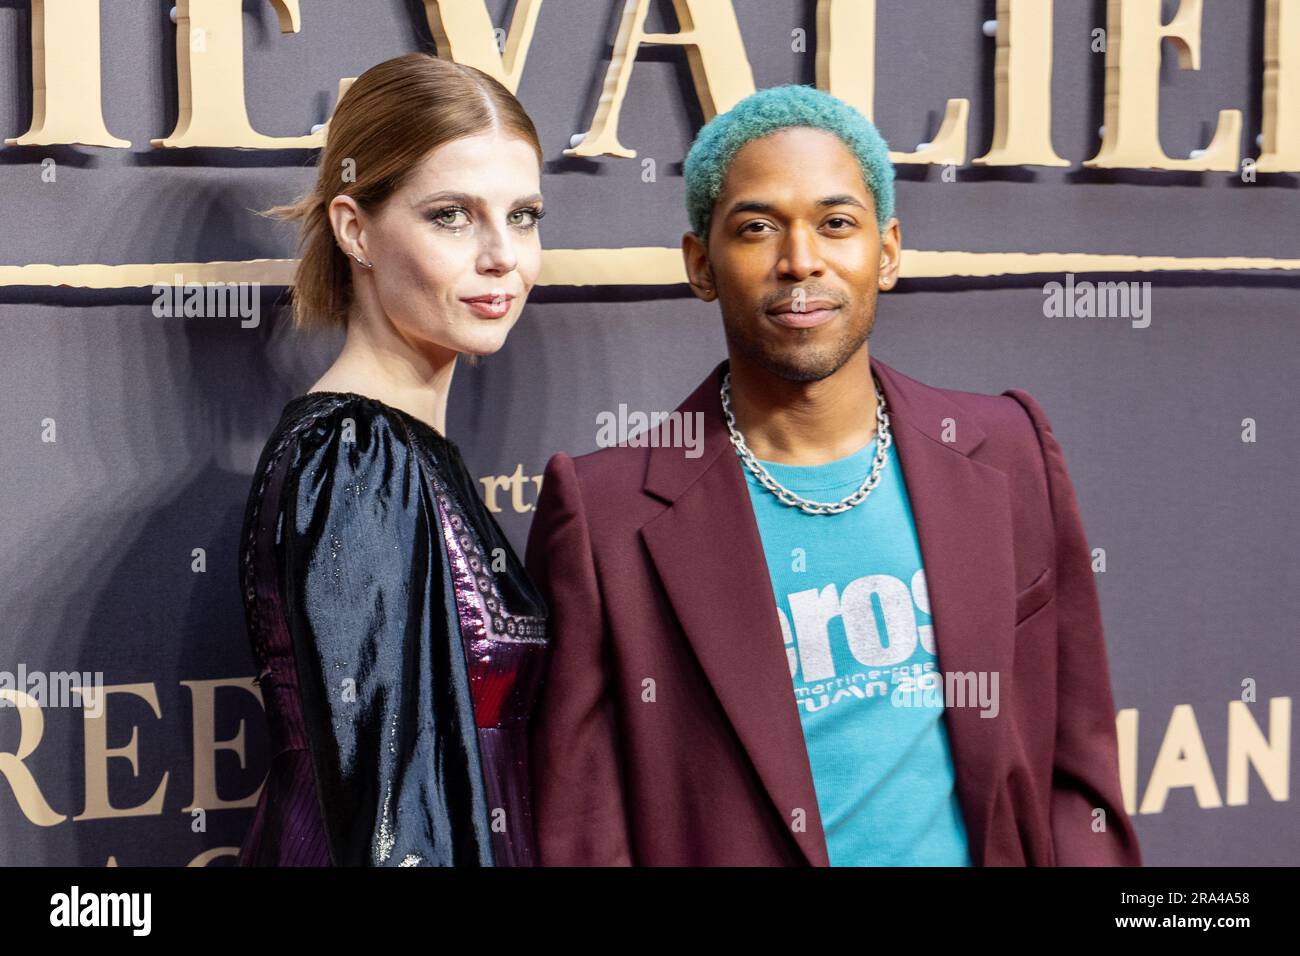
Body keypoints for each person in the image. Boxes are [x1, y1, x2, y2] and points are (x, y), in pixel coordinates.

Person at [525, 85, 1142, 866]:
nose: (801, 260)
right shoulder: (605, 513)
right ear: (700, 263)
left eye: (836, 223)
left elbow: (1076, 767)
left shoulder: (1006, 447)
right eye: (756, 228)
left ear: (885, 252)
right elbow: (582, 833)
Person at [238, 52, 549, 867]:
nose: (501, 256)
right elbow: (391, 816)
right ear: (354, 229)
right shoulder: (357, 457)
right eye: (452, 215)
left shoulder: (404, 452)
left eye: (523, 215)